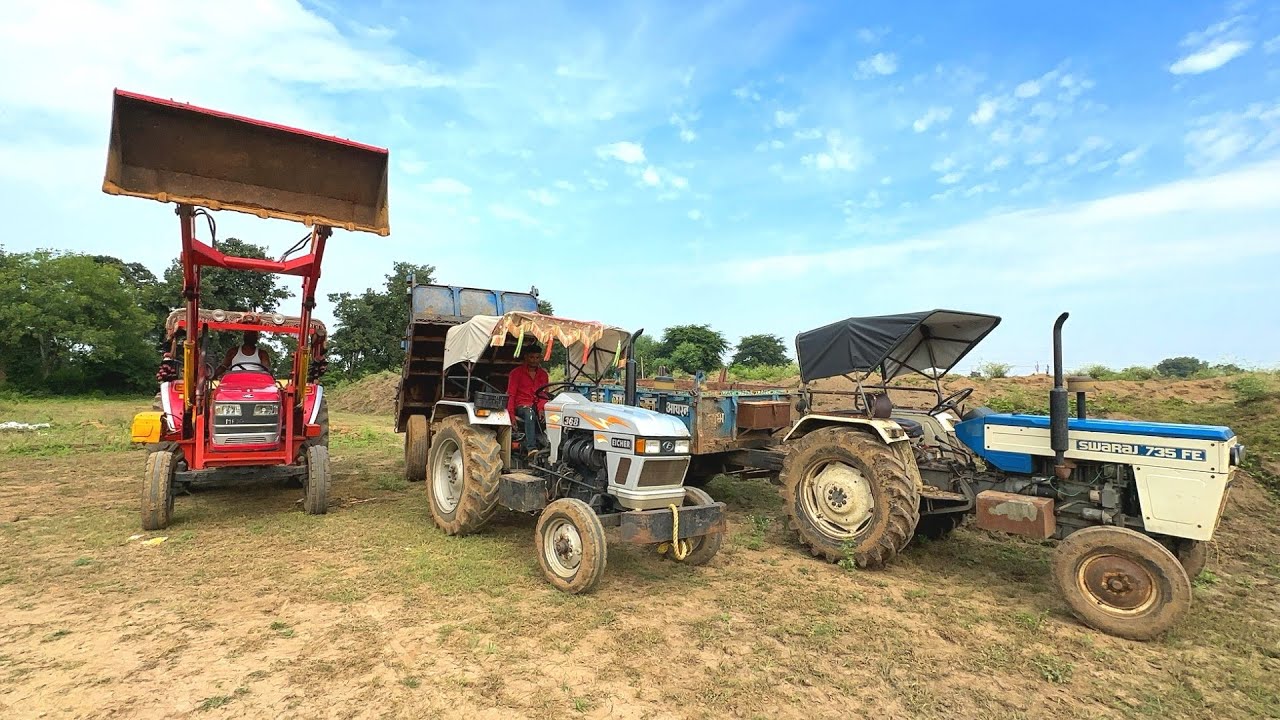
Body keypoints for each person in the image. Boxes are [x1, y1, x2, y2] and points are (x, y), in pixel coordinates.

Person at [507, 344, 549, 449]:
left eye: (537, 357)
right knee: (529, 413)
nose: (534, 360)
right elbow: (511, 395)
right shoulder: (516, 373)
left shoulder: (543, 375)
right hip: (521, 406)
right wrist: (511, 415)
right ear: (526, 357)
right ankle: (531, 448)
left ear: (540, 358)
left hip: (536, 405)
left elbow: (543, 395)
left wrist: (541, 408)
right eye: (531, 357)